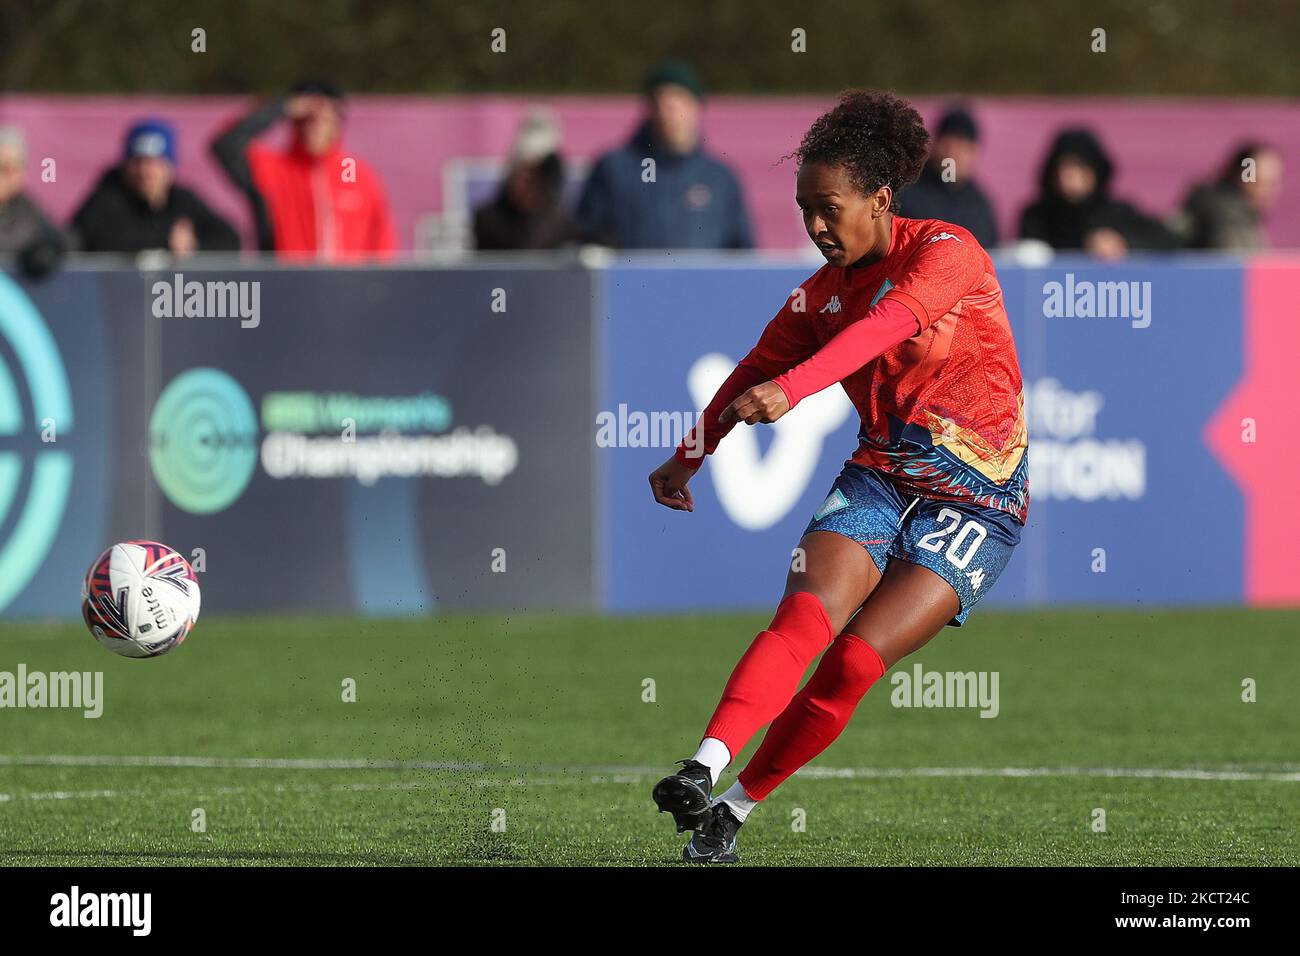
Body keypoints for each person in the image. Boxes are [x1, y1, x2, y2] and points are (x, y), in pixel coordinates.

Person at [647, 91, 1029, 863]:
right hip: (880, 478)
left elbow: (887, 325)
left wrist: (793, 390)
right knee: (804, 621)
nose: (817, 227)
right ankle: (703, 765)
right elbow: (754, 367)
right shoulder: (817, 292)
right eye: (803, 210)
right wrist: (690, 453)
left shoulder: (948, 251)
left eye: (830, 208)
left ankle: (738, 807)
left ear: (881, 200)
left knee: (855, 661)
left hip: (981, 499)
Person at [575, 58, 753, 250]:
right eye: (662, 104)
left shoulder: (720, 178)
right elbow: (585, 239)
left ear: (696, 107)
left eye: (679, 104)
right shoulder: (614, 169)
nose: (670, 114)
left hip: (700, 281)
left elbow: (742, 254)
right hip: (633, 281)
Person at [211, 79, 396, 261]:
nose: (314, 124)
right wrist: (282, 107)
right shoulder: (271, 169)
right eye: (306, 118)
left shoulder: (357, 173)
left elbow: (381, 243)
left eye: (323, 115)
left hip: (350, 287)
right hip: (287, 285)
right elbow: (226, 143)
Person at [71, 119, 239, 255]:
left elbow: (230, 239)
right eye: (138, 162)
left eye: (154, 163)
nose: (145, 171)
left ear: (169, 167)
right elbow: (93, 241)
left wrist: (193, 245)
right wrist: (166, 241)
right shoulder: (107, 198)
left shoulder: (182, 200)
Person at [1018, 127, 1176, 259]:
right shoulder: (1037, 217)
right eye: (1063, 167)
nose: (1069, 176)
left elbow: (1168, 240)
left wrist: (1124, 243)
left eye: (1080, 167)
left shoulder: (1117, 212)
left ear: (1096, 169)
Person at [473, 109, 576, 250]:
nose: (525, 182)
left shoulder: (558, 222)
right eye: (522, 173)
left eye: (534, 173)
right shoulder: (489, 220)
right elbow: (522, 249)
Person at [897, 105, 997, 248]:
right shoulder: (907, 194)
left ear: (974, 152)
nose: (953, 153)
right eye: (948, 144)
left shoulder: (980, 205)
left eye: (962, 147)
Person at [1170, 141, 1283, 250]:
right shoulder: (1229, 222)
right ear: (1240, 177)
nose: (1266, 192)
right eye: (1259, 182)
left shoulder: (1241, 218)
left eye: (1272, 184)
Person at [0, 125, 58, 253]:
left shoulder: (30, 210)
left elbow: (64, 240)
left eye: (15, 169)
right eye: (3, 168)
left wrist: (47, 249)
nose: (8, 177)